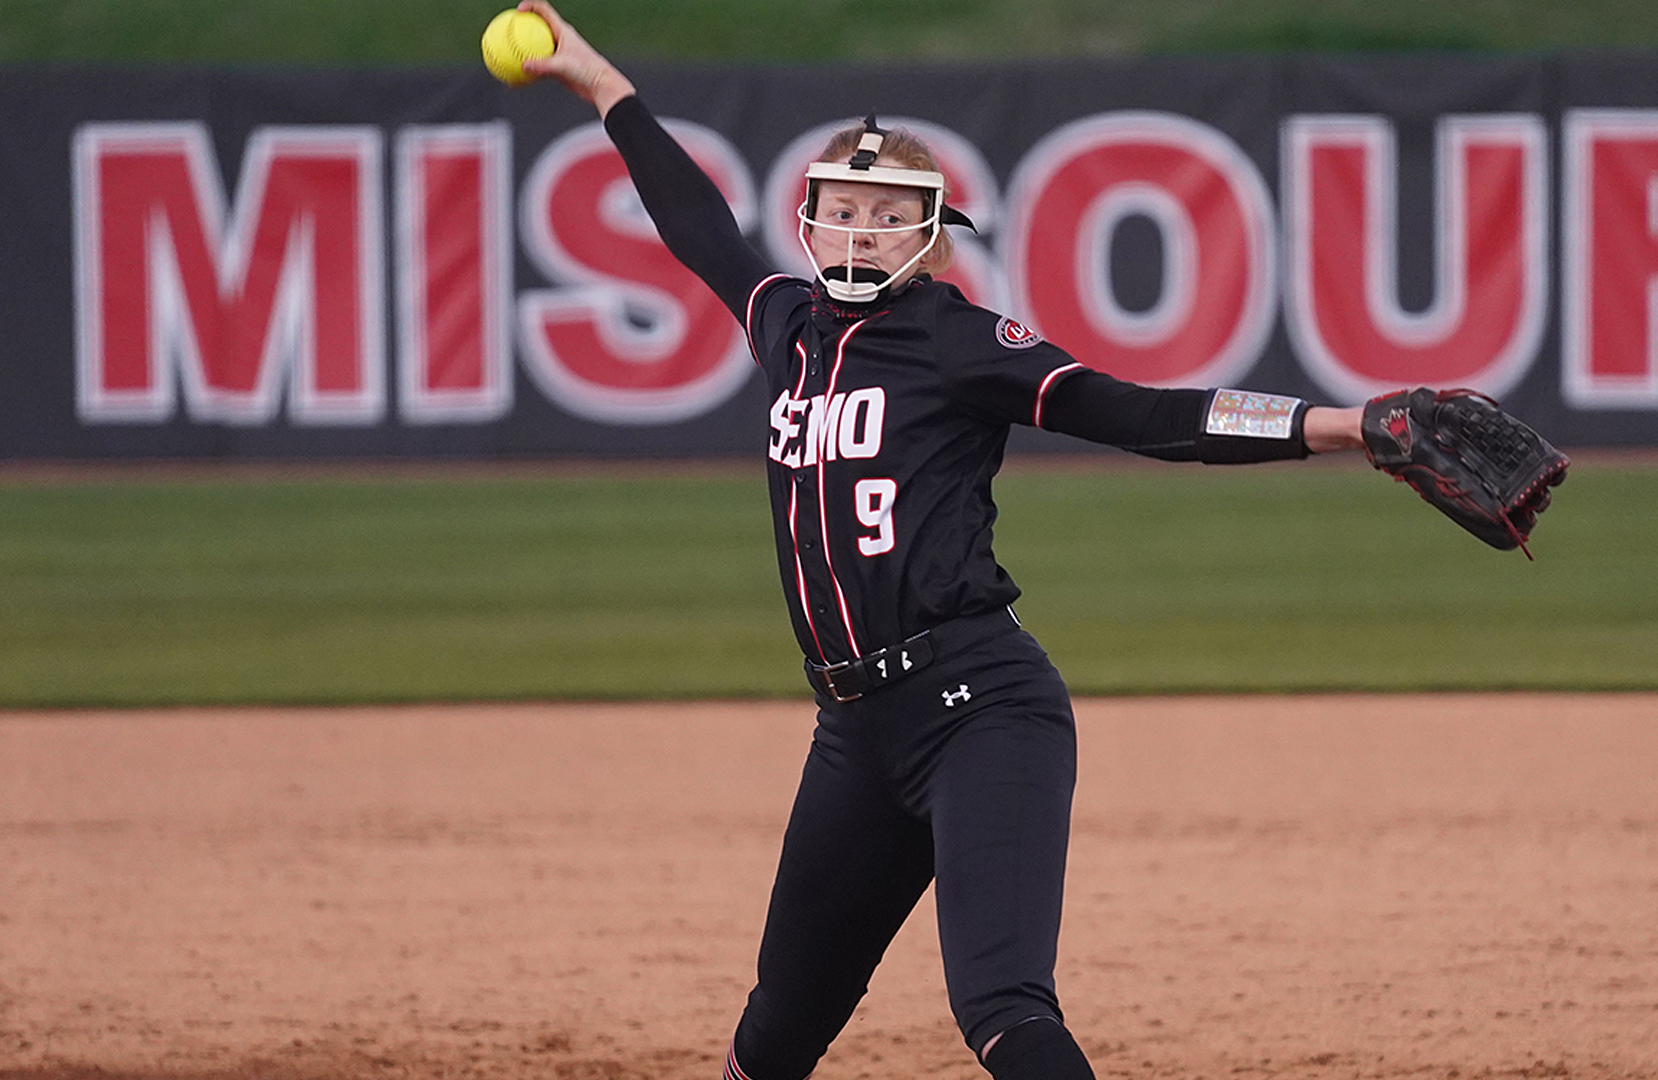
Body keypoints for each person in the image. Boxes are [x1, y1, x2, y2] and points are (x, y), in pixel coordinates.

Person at [517, 6, 1370, 1079]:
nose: (863, 232)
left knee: (1002, 1006)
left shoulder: (959, 343)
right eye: (844, 212)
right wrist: (601, 85)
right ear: (812, 224)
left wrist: (1342, 427)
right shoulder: (786, 326)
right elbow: (696, 227)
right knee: (777, 1027)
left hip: (981, 710)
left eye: (890, 214)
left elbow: (1147, 414)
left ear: (930, 233)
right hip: (853, 732)